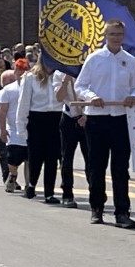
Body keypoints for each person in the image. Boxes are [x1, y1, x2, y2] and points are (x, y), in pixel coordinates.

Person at [75, 21, 135, 229]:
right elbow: (80, 85)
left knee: (120, 168)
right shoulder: (95, 59)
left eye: (119, 34)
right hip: (97, 118)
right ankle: (97, 208)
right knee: (97, 166)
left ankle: (122, 212)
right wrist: (91, 96)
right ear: (105, 35)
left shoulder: (129, 60)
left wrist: (133, 96)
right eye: (112, 33)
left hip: (120, 118)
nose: (116, 37)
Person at [15, 52, 66, 203]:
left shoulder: (60, 76)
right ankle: (31, 186)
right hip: (37, 118)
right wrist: (22, 128)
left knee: (52, 157)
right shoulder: (31, 77)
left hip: (56, 118)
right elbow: (23, 103)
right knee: (35, 156)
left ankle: (49, 192)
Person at [54, 70, 88, 209]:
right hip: (69, 117)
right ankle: (67, 193)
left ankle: (95, 192)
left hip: (86, 117)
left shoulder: (87, 69)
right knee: (66, 157)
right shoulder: (59, 73)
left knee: (91, 157)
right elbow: (59, 97)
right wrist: (66, 80)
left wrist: (85, 115)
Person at [0, 61, 29, 194]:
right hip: (14, 130)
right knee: (12, 158)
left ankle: (29, 185)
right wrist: (2, 129)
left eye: (23, 70)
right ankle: (13, 175)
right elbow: (2, 111)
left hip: (29, 129)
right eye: (18, 70)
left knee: (29, 159)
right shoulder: (8, 90)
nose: (20, 73)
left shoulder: (32, 88)